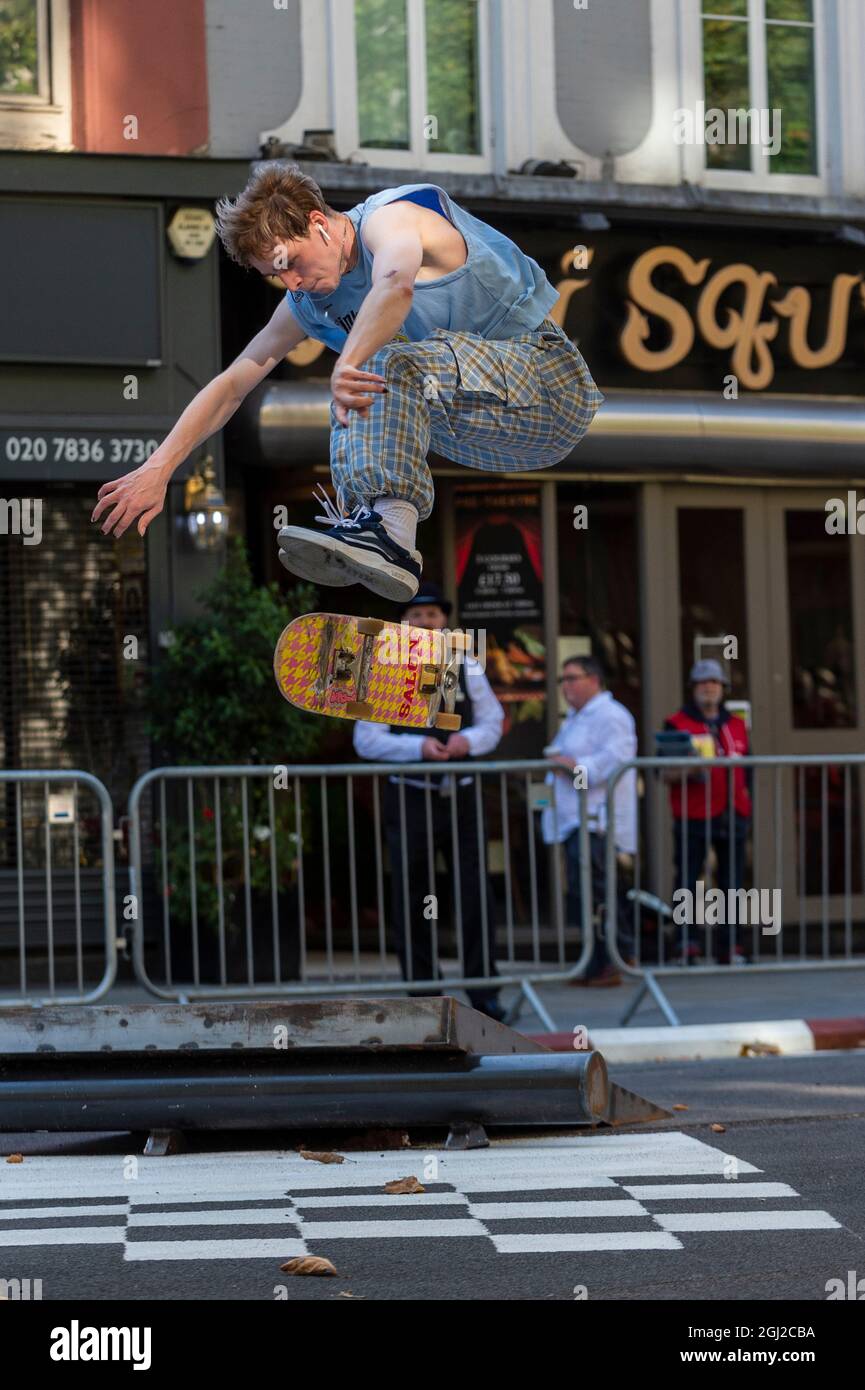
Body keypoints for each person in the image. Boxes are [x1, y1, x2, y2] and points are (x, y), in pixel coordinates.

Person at [90, 164, 603, 600]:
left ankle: (391, 534)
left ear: (319, 224)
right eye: (276, 277)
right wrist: (159, 469)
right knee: (371, 375)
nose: (291, 284)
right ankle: (380, 525)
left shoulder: (391, 218)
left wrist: (348, 359)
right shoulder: (307, 305)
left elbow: (395, 284)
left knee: (375, 364)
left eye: (290, 263)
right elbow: (233, 383)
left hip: (546, 385)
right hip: (482, 423)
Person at [352, 584, 506, 1020]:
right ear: (403, 623)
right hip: (410, 796)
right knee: (410, 892)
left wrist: (466, 742)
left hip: (460, 794)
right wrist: (416, 750)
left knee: (475, 893)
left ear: (445, 622)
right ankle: (422, 996)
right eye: (417, 616)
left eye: (433, 616)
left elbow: (493, 722)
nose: (425, 623)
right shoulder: (382, 667)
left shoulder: (466, 662)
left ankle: (485, 993)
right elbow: (366, 740)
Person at [542, 655, 638, 986]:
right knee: (586, 894)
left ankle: (613, 960)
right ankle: (597, 963)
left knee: (599, 893)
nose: (566, 687)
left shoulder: (611, 716)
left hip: (597, 820)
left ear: (594, 679)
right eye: (563, 680)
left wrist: (571, 766)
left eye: (572, 678)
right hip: (576, 820)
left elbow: (612, 762)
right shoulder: (576, 718)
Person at [664, 658, 752, 964]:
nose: (709, 689)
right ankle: (686, 943)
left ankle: (731, 946)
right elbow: (662, 773)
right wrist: (688, 768)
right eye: (703, 683)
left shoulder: (737, 724)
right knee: (688, 880)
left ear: (723, 688)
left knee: (732, 882)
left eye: (714, 683)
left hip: (732, 812)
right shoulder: (676, 723)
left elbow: (748, 769)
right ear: (693, 688)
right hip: (693, 813)